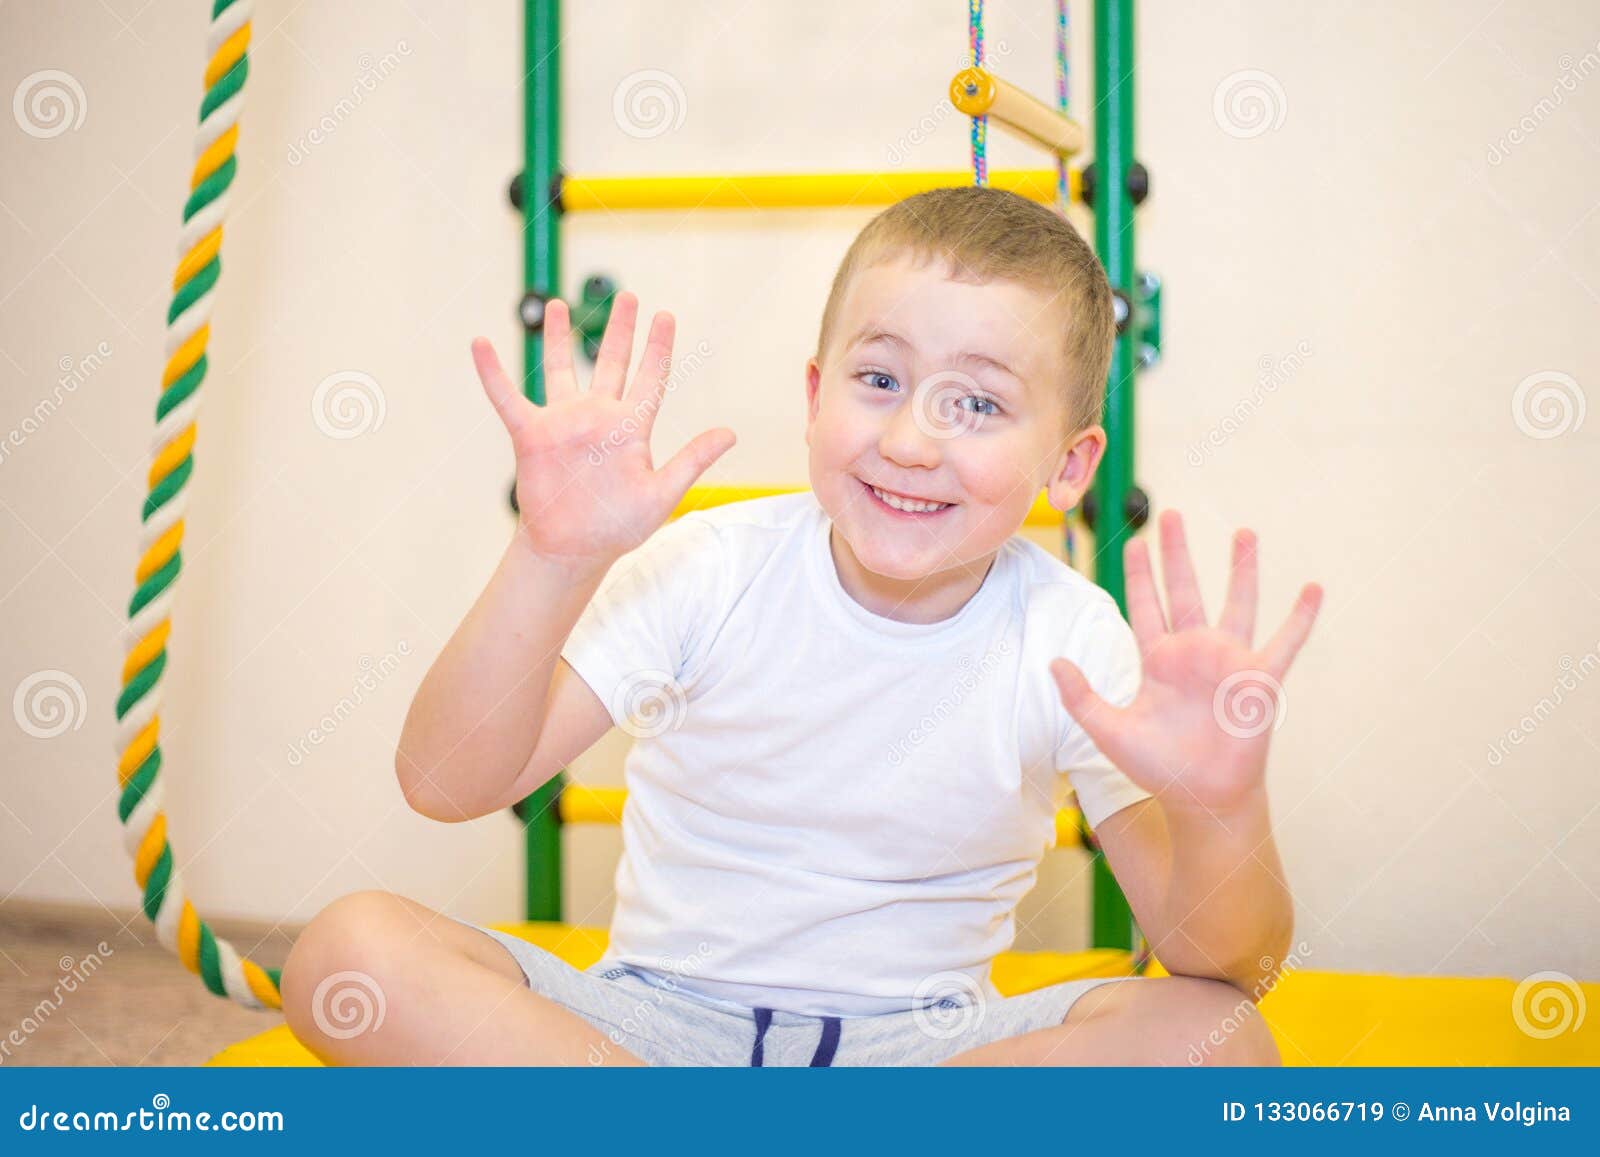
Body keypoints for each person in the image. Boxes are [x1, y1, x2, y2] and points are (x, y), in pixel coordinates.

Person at [281, 186, 1323, 1066]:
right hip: (647, 1035)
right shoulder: (708, 564)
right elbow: (445, 782)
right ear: (818, 395)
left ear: (1069, 464)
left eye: (978, 405)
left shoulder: (1069, 632)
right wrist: (550, 557)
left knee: (1217, 1037)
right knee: (348, 950)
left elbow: (1228, 963)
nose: (911, 438)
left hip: (921, 1056)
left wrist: (1219, 808)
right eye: (880, 381)